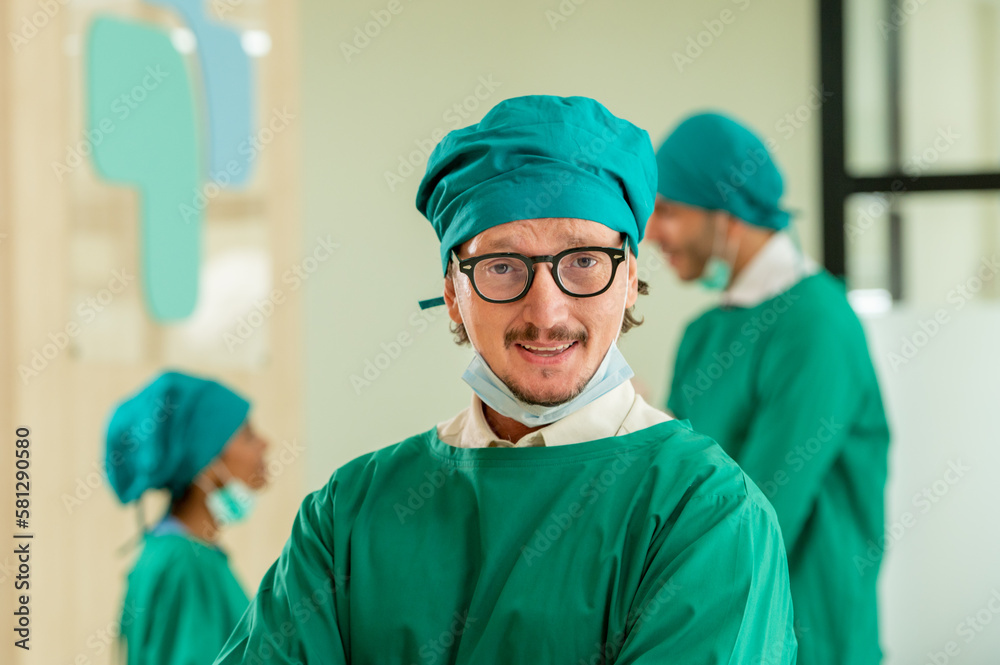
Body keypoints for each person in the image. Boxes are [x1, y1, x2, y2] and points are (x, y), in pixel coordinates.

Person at [215, 95, 796, 664]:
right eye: (501, 266)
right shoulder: (350, 515)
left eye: (584, 261)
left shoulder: (705, 515)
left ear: (629, 279)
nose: (547, 313)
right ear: (452, 291)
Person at [646, 111, 891, 665]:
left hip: (809, 640)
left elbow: (764, 509)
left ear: (727, 214)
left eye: (669, 210)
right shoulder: (705, 332)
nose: (652, 232)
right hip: (720, 634)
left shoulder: (816, 325)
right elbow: (678, 487)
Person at [105, 370, 269, 665]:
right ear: (206, 462)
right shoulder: (187, 564)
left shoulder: (169, 551)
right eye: (247, 435)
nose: (264, 444)